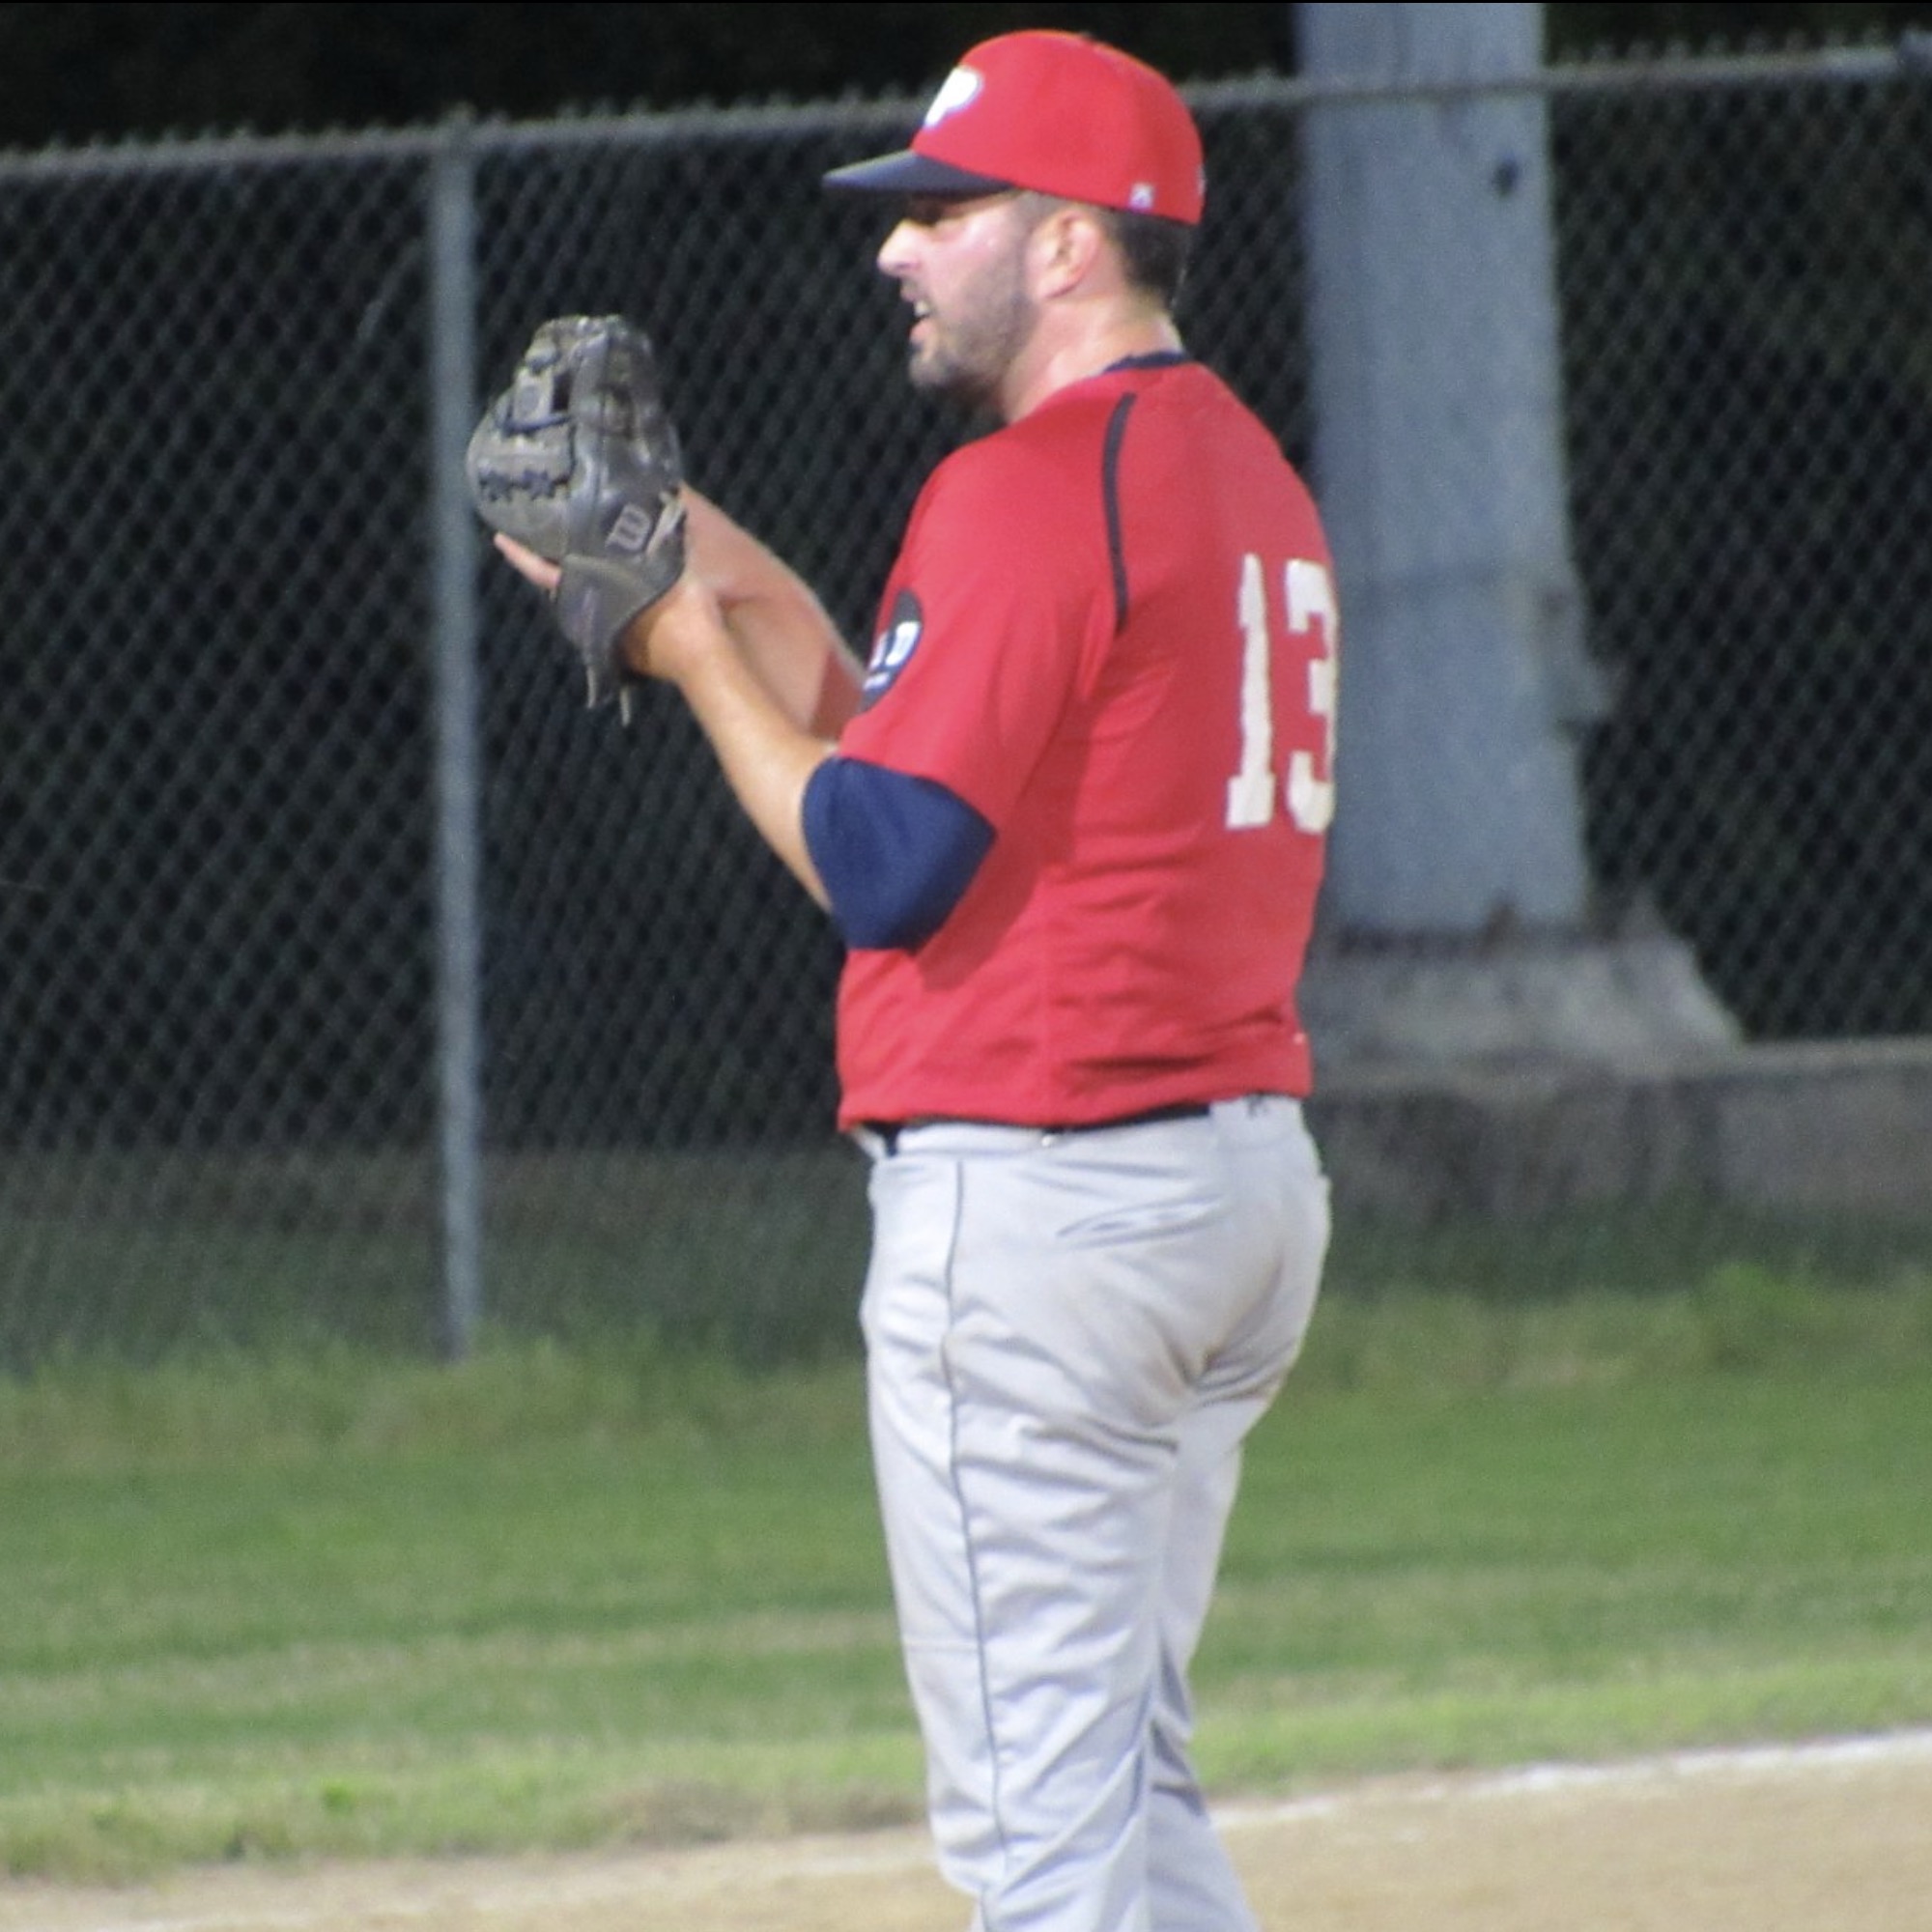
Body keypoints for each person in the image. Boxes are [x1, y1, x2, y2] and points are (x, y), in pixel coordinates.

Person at [498, 28, 1338, 1932]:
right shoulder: (1231, 471)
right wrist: (687, 564)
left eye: (944, 213)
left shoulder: (1037, 488)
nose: (896, 248)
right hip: (1225, 1201)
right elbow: (899, 743)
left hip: (1047, 1217)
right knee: (1127, 1796)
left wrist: (680, 655)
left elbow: (882, 864)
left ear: (1067, 247)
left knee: (1040, 1860)